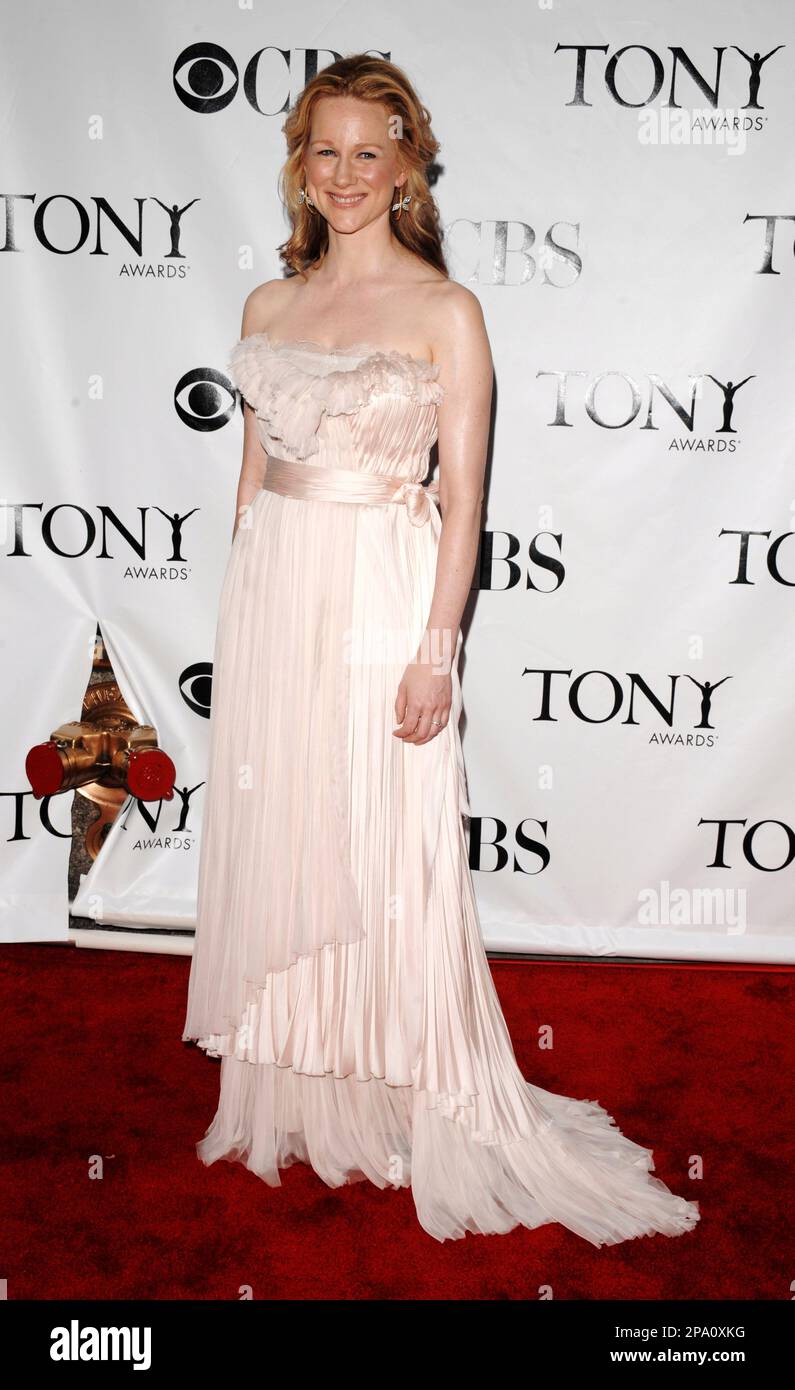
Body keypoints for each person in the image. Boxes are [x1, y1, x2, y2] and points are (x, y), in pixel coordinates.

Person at [182, 53, 700, 1246]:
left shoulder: (444, 312)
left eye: (372, 151)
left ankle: (421, 1090)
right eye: (326, 151)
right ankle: (310, 1085)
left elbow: (463, 504)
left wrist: (434, 653)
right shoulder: (269, 308)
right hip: (274, 597)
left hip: (380, 591)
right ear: (297, 166)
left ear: (410, 166)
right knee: (293, 833)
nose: (346, 174)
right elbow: (251, 486)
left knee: (386, 842)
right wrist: (239, 615)